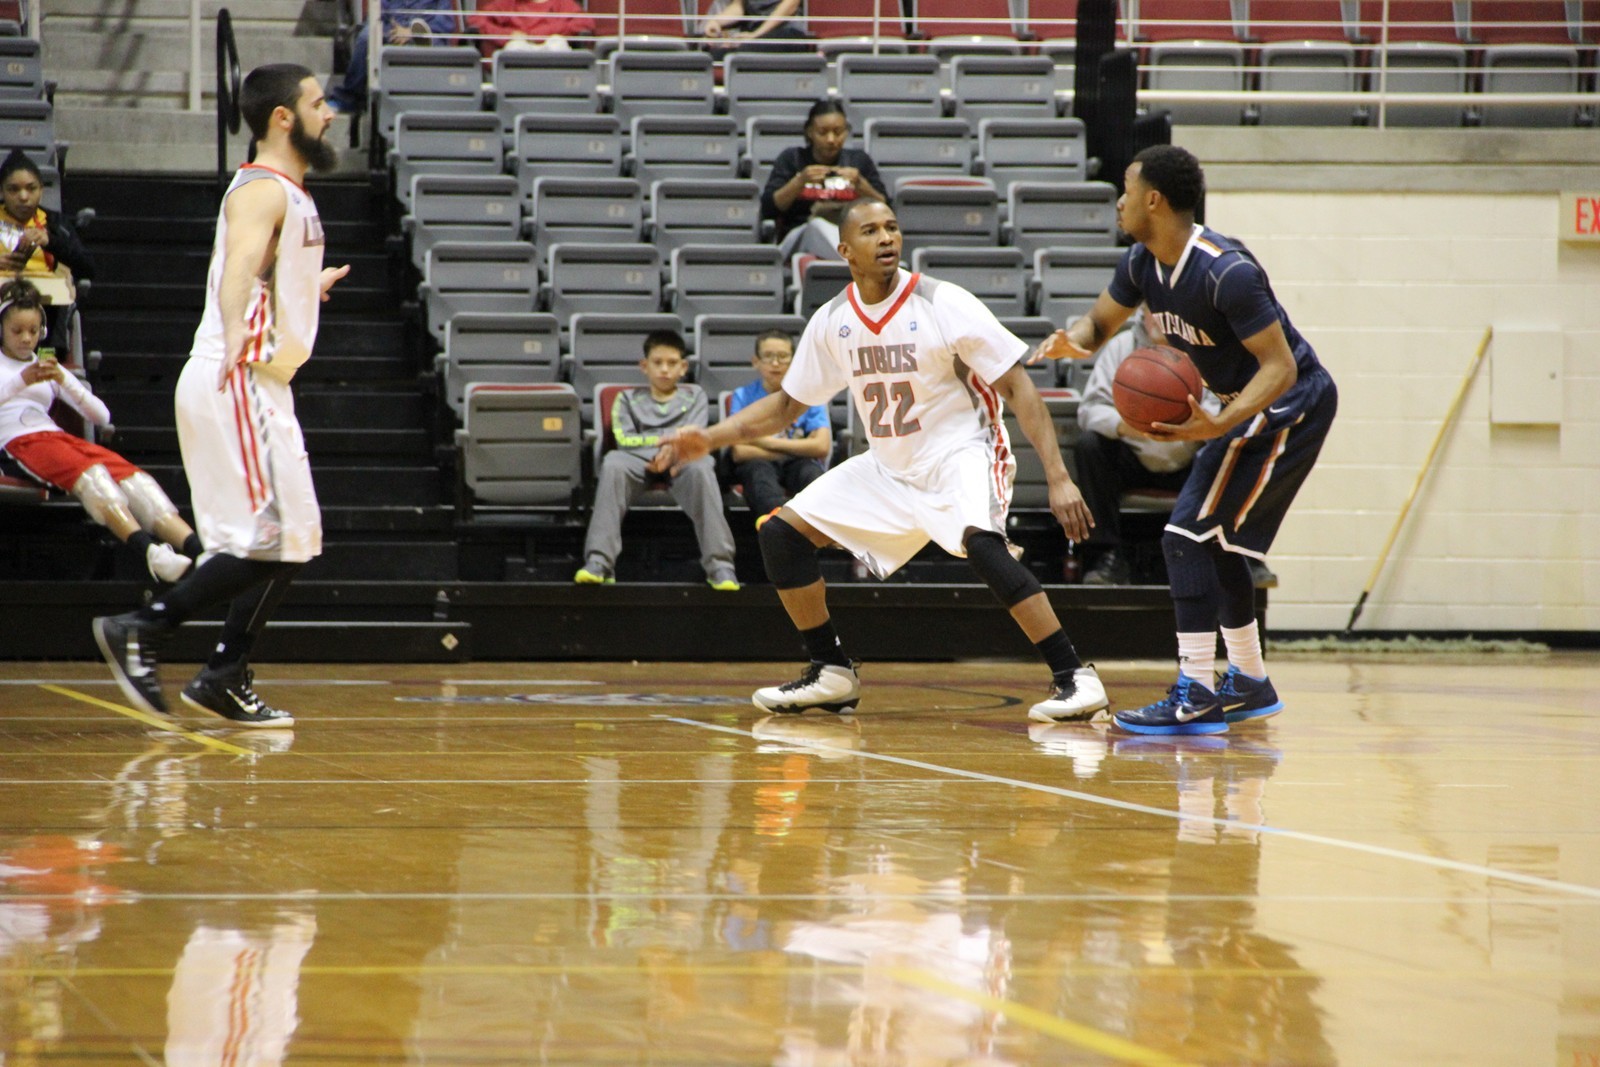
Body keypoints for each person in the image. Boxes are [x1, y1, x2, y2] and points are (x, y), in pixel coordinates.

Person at [653, 199, 1110, 722]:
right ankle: (831, 671)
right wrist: (707, 439)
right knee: (782, 534)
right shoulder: (833, 321)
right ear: (846, 250)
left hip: (960, 453)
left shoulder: (942, 302)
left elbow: (1019, 386)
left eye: (892, 227)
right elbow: (786, 405)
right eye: (871, 230)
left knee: (981, 542)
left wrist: (1058, 477)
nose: (887, 237)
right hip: (888, 467)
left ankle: (1075, 676)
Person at [1035, 144, 1338, 736]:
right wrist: (1072, 340)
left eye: (1125, 188)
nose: (1118, 201)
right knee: (1215, 541)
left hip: (1289, 405)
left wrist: (1220, 422)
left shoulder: (1227, 271)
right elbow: (1098, 326)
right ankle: (1248, 679)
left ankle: (1196, 691)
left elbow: (1280, 369)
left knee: (1184, 535)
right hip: (1243, 409)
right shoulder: (1141, 263)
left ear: (1154, 198)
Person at [92, 63, 350, 728]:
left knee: (298, 539)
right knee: (268, 540)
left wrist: (303, 286)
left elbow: (260, 272)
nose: (331, 113)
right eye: (319, 103)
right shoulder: (262, 191)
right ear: (283, 117)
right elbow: (237, 268)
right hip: (238, 376)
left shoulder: (286, 192)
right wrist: (238, 324)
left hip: (261, 381)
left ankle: (224, 673)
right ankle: (143, 627)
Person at [0, 279, 200, 583]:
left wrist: (65, 381)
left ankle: (201, 552)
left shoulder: (45, 363)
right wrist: (21, 380)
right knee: (94, 477)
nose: (26, 339)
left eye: (33, 331)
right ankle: (150, 553)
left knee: (134, 480)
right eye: (17, 331)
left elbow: (101, 415)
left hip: (56, 437)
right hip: (17, 442)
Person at [574, 328, 740, 591]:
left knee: (703, 468)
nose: (664, 369)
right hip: (637, 461)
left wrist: (671, 453)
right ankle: (599, 563)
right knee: (613, 464)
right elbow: (624, 439)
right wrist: (663, 448)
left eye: (672, 363)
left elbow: (694, 438)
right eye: (657, 362)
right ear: (644, 366)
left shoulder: (695, 395)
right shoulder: (625, 398)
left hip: (682, 462)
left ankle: (720, 566)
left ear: (683, 367)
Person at [1074, 305, 1218, 586]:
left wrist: (1193, 428)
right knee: (1089, 445)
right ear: (1142, 311)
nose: (1157, 317)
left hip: (1189, 464)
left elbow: (1223, 414)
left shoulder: (1206, 352)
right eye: (1152, 309)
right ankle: (1106, 556)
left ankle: (1232, 556)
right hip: (1133, 461)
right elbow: (1089, 410)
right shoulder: (1121, 347)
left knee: (1228, 447)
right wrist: (1125, 425)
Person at [727, 329, 831, 529]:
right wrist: (797, 447)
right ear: (755, 361)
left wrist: (763, 441)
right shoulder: (743, 396)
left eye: (783, 357)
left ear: (795, 360)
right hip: (761, 463)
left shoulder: (809, 394)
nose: (775, 364)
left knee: (813, 474)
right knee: (757, 473)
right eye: (768, 357)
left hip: (798, 464)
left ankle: (818, 532)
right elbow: (740, 452)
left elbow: (821, 447)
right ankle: (778, 529)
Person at [761, 100, 887, 263]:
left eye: (838, 132)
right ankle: (862, 264)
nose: (831, 139)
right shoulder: (792, 159)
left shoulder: (859, 161)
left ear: (846, 132)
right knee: (817, 226)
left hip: (848, 234)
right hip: (799, 237)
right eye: (823, 132)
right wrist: (800, 181)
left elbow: (885, 209)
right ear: (810, 132)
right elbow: (769, 208)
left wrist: (861, 185)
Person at [326, 0, 458, 114]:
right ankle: (348, 98)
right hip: (392, 29)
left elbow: (445, 21)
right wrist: (393, 28)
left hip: (426, 33)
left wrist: (412, 33)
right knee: (366, 37)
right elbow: (378, 12)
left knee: (420, 47)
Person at [0, 150, 94, 283]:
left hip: (45, 297)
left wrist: (51, 241)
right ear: (2, 192)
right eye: (13, 189)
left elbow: (88, 269)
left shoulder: (56, 223)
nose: (23, 197)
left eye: (31, 188)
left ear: (41, 190)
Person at [468, 0, 596, 55]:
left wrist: (536, 35)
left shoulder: (562, 3)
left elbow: (585, 22)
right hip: (517, 54)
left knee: (557, 43)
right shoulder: (508, 3)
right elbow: (476, 20)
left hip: (551, 55)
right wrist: (507, 35)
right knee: (515, 46)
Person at [701, 0, 809, 53]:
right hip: (753, 34)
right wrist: (716, 21)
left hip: (787, 32)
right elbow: (738, 6)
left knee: (744, 52)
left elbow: (790, 7)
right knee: (716, 54)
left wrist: (755, 35)